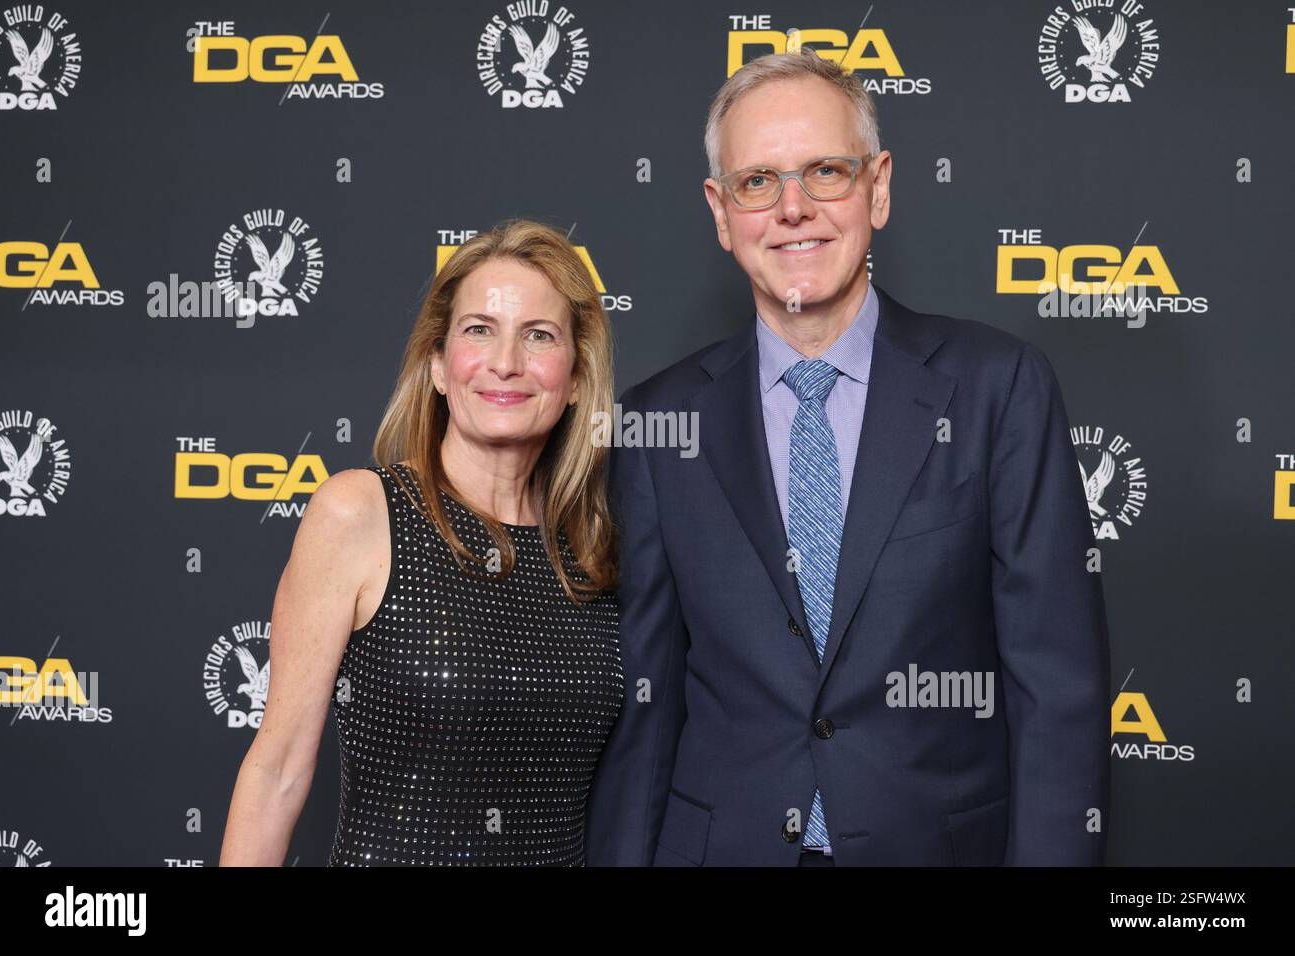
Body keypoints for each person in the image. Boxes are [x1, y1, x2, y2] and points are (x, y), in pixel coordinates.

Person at [586, 50, 1110, 866]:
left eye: (826, 171)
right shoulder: (658, 424)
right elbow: (647, 712)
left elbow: (1059, 695)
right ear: (721, 213)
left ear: (880, 186)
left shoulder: (997, 389)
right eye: (759, 182)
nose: (793, 208)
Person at [220, 219, 623, 866]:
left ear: (577, 378)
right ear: (437, 364)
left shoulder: (595, 546)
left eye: (539, 336)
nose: (506, 362)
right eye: (479, 330)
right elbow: (277, 773)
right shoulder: (361, 512)